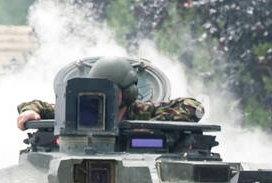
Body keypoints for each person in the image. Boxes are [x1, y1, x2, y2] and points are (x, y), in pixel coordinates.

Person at [16, 55, 204, 129]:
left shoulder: (142, 113)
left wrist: (147, 128)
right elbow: (38, 106)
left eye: (109, 90)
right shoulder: (79, 111)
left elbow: (192, 106)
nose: (102, 95)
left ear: (128, 93)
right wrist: (30, 111)